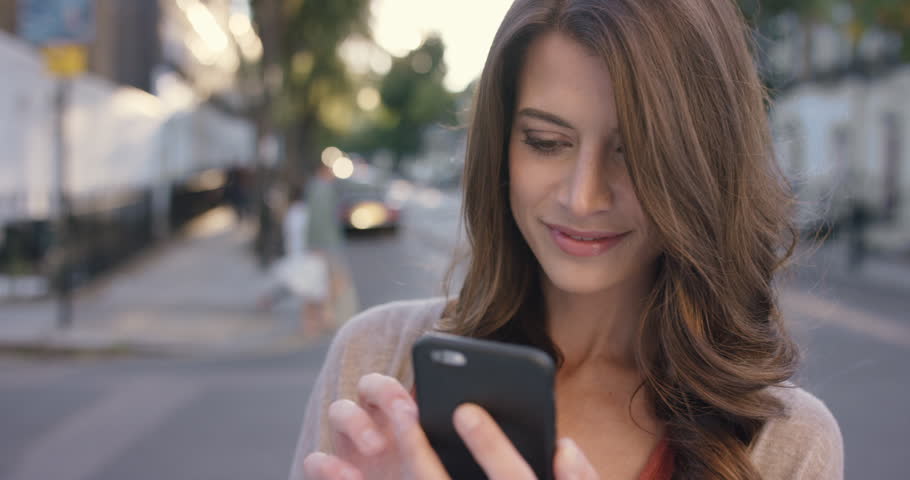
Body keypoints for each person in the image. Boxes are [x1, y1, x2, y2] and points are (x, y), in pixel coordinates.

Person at [291, 0, 844, 479]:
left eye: (634, 151)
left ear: (700, 164)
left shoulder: (787, 444)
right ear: (502, 146)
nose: (583, 197)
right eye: (547, 141)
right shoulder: (376, 362)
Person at [257, 184, 331, 338]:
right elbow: (311, 235)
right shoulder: (304, 213)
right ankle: (314, 324)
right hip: (307, 258)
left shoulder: (292, 213)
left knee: (308, 291)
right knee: (312, 292)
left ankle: (319, 322)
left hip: (299, 256)